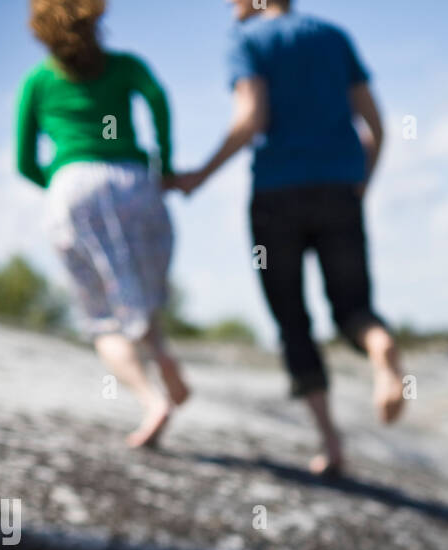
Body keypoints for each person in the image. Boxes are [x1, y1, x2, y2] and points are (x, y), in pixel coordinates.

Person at [177, 0, 405, 477]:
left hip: (275, 196)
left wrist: (200, 174)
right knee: (352, 308)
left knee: (291, 318)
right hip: (339, 190)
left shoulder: (246, 41)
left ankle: (331, 444)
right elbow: (376, 125)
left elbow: (251, 119)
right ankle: (381, 351)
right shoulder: (333, 36)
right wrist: (361, 183)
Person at [15, 0, 189, 448]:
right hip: (134, 182)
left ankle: (152, 400)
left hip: (74, 186)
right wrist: (165, 163)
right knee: (141, 289)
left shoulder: (38, 80)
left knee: (104, 317)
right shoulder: (126, 66)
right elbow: (157, 98)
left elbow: (24, 161)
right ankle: (163, 354)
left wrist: (59, 182)